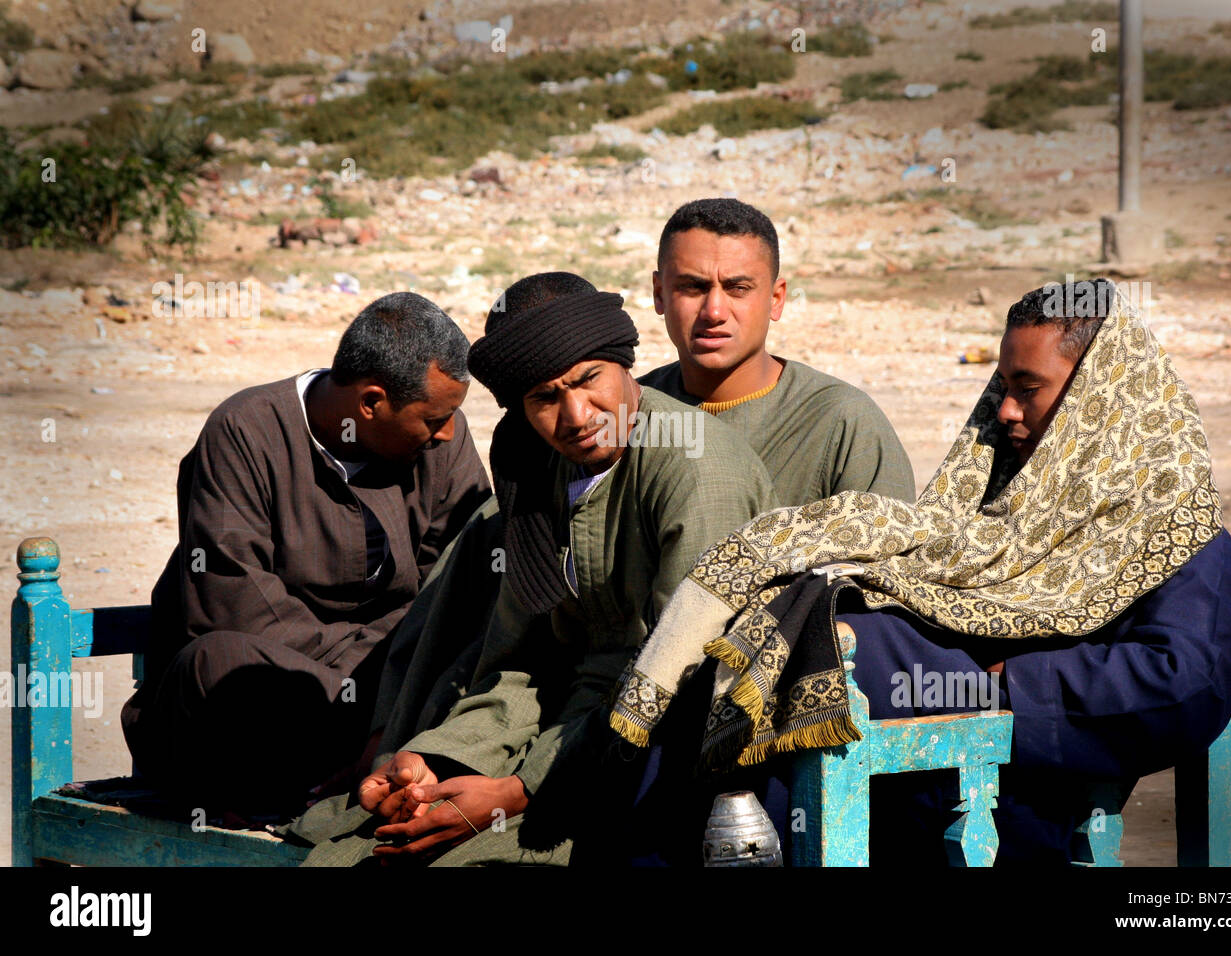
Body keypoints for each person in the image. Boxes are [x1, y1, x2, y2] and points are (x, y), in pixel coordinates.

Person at [609, 278, 1231, 866]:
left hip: (999, 793)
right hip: (897, 772)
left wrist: (1006, 687)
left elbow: (1186, 682)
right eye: (1003, 389)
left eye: (1028, 389)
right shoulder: (988, 517)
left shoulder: (1177, 536)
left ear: (1100, 399)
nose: (1003, 411)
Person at [294, 273, 777, 865]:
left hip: (659, 754)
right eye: (545, 398)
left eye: (588, 380)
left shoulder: (696, 473)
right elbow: (520, 661)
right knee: (372, 848)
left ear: (624, 363)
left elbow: (677, 681)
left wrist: (520, 790)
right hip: (564, 725)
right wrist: (438, 760)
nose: (575, 415)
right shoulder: (537, 468)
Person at [120, 292, 491, 817]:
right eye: (433, 419)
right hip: (269, 701)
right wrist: (365, 673)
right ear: (371, 403)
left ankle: (370, 763)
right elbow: (233, 604)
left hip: (388, 695)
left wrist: (388, 689)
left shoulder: (441, 443)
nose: (449, 432)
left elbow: (455, 585)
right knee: (219, 662)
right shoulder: (245, 433)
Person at [639, 197, 915, 505]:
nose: (714, 311)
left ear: (776, 299)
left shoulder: (841, 423)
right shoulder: (630, 414)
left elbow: (890, 543)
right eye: (693, 287)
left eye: (738, 289)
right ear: (659, 294)